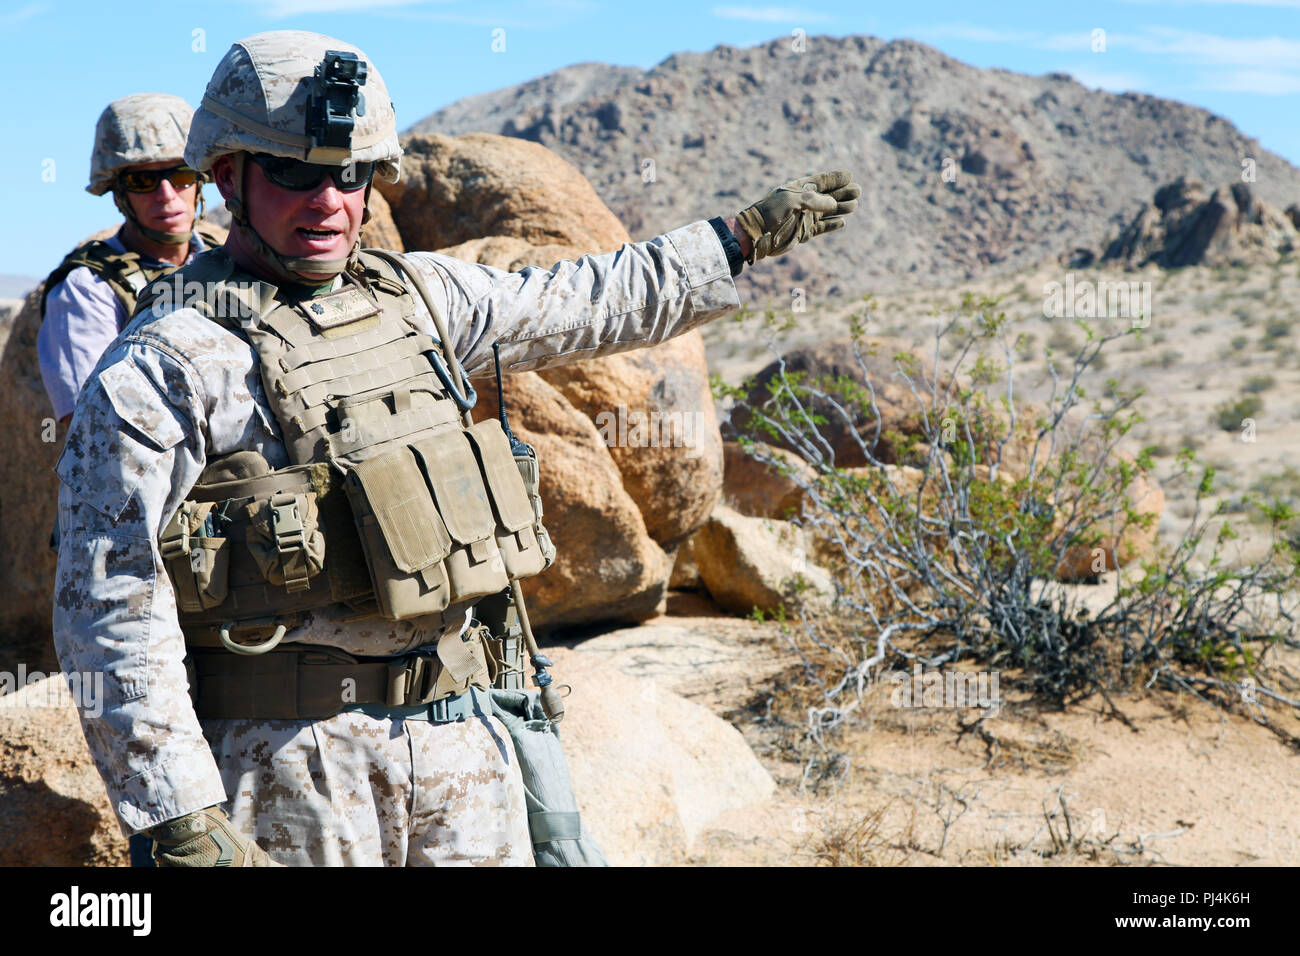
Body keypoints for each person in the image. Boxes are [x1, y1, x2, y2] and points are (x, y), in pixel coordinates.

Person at [52, 30, 859, 867]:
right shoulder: (167, 362)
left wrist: (737, 237)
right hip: (287, 772)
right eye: (294, 171)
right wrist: (180, 816)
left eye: (350, 172)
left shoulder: (423, 297)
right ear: (228, 175)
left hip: (463, 751)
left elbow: (587, 298)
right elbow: (108, 599)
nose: (328, 199)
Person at [38, 94, 219, 426]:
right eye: (142, 181)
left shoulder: (227, 255)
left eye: (181, 175)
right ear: (118, 193)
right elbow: (94, 425)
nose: (166, 194)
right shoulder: (85, 289)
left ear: (199, 181)